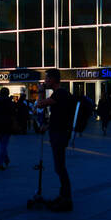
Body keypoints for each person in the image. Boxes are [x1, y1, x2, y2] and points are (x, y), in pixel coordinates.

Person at [35, 70, 75, 211]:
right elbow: (60, 116)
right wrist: (47, 126)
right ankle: (63, 196)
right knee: (59, 166)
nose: (45, 81)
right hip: (58, 132)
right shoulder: (61, 94)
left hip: (59, 134)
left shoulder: (60, 93)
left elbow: (39, 105)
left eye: (47, 78)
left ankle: (66, 199)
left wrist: (40, 92)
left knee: (60, 167)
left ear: (53, 79)